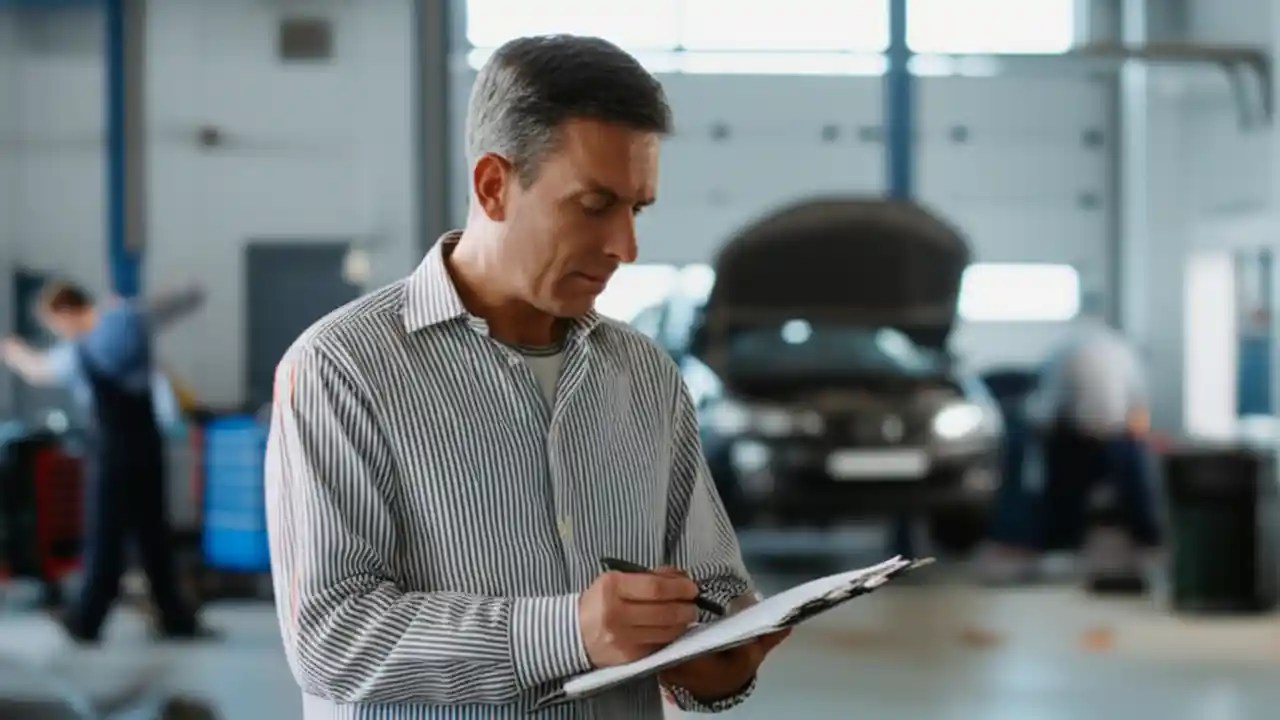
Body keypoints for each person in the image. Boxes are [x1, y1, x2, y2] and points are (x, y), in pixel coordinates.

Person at [264, 34, 788, 718]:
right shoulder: (343, 368)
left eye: (637, 209)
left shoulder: (645, 376)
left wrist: (718, 660)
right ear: (493, 186)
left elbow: (712, 592)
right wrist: (568, 633)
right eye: (594, 205)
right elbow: (331, 639)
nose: (625, 247)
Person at [1, 280, 208, 642]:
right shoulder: (125, 318)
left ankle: (87, 619)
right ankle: (174, 618)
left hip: (114, 449)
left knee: (103, 531)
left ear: (65, 311)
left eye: (56, 324)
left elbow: (41, 370)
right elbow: (176, 301)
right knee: (152, 533)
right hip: (146, 445)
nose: (60, 332)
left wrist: (13, 352)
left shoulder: (97, 336)